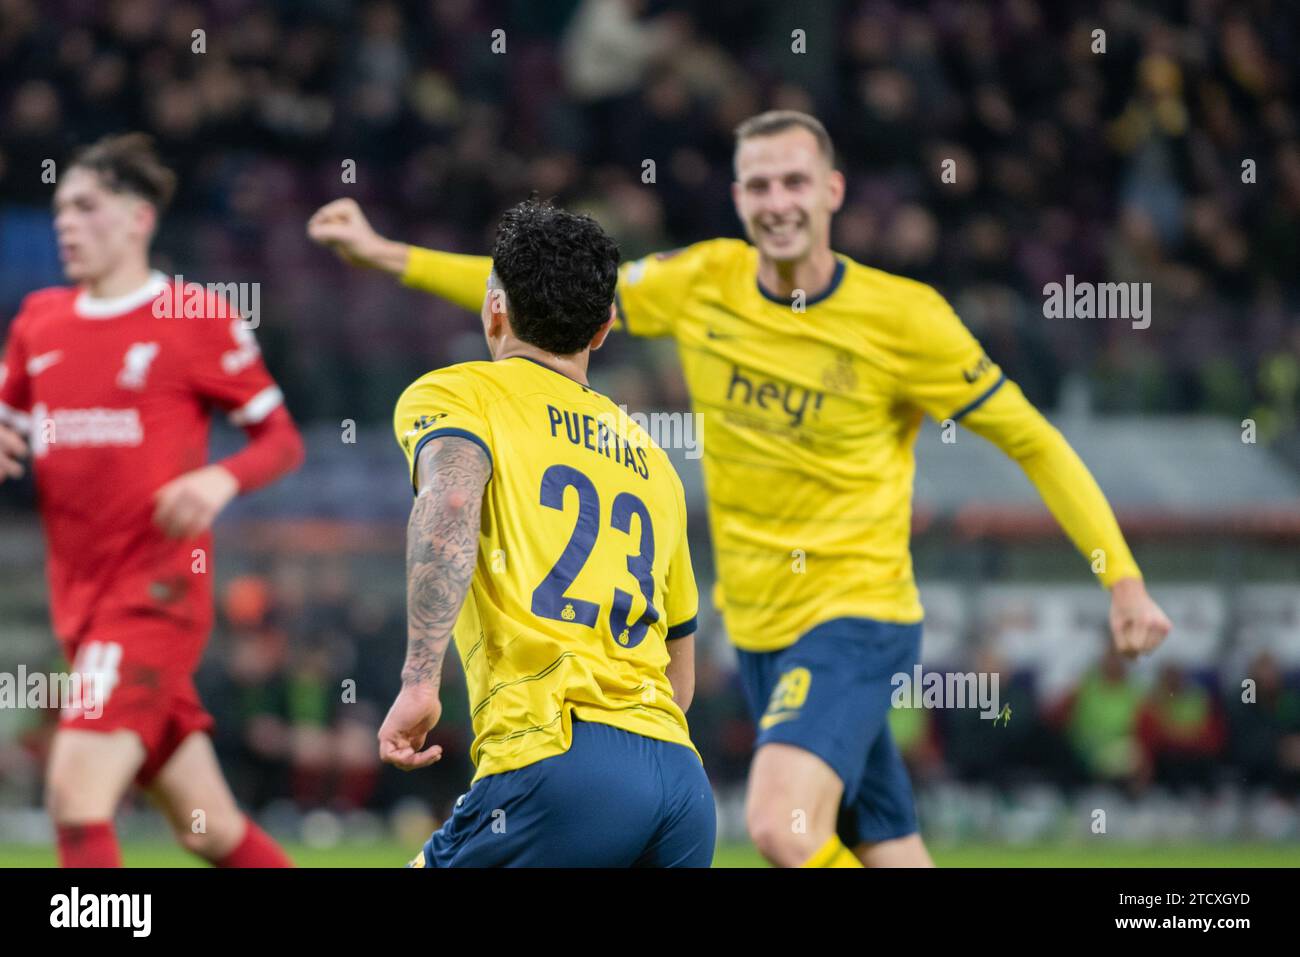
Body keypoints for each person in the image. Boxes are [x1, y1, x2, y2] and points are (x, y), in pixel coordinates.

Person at [310, 109, 1171, 868]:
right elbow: (547, 294)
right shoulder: (705, 284)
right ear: (736, 194)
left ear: (833, 189)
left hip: (853, 614)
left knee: (784, 829)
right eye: (758, 183)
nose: (777, 200)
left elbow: (1034, 439)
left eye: (796, 179)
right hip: (754, 632)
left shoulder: (906, 319)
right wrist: (390, 255)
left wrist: (1122, 577)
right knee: (887, 845)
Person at [378, 199, 713, 867]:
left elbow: (447, 500)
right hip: (680, 784)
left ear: (494, 307)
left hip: (555, 752)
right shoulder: (654, 462)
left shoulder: (460, 394)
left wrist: (420, 680)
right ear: (604, 327)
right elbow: (681, 674)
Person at [0, 133, 304, 867]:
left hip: (156, 593)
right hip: (80, 601)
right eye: (59, 210)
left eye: (86, 207)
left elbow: (280, 439)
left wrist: (218, 478)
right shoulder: (38, 321)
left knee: (75, 795)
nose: (66, 224)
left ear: (138, 218)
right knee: (208, 826)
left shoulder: (193, 315)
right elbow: (7, 423)